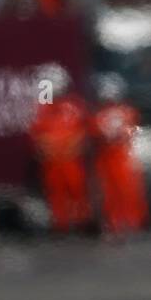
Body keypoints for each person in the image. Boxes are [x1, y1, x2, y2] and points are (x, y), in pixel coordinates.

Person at [28, 63, 91, 232]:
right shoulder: (42, 108)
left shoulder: (75, 105)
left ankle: (81, 222)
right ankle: (60, 225)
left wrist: (74, 146)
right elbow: (36, 135)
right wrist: (48, 148)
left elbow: (84, 131)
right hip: (52, 161)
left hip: (72, 160)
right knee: (56, 192)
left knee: (77, 190)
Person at [90, 74, 148, 236]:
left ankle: (133, 222)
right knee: (108, 192)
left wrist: (118, 134)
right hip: (106, 158)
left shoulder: (128, 111)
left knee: (128, 191)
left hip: (123, 157)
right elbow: (95, 133)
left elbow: (132, 131)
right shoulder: (98, 114)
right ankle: (112, 224)